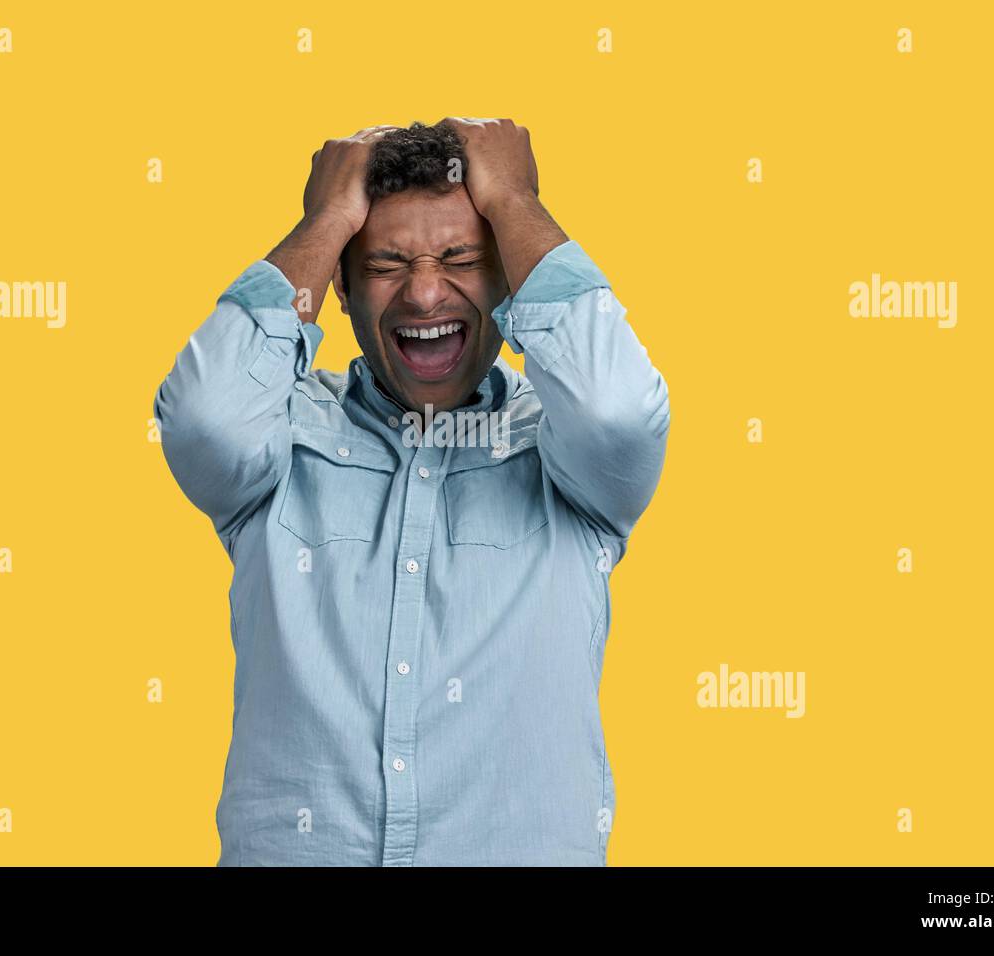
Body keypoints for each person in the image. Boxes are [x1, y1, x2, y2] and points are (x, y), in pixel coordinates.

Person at [153, 117, 670, 865]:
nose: (426, 294)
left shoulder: (569, 456)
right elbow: (203, 418)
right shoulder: (280, 438)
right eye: (388, 264)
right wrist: (324, 220)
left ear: (506, 279)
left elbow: (619, 411)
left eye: (461, 257)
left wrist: (516, 202)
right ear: (342, 284)